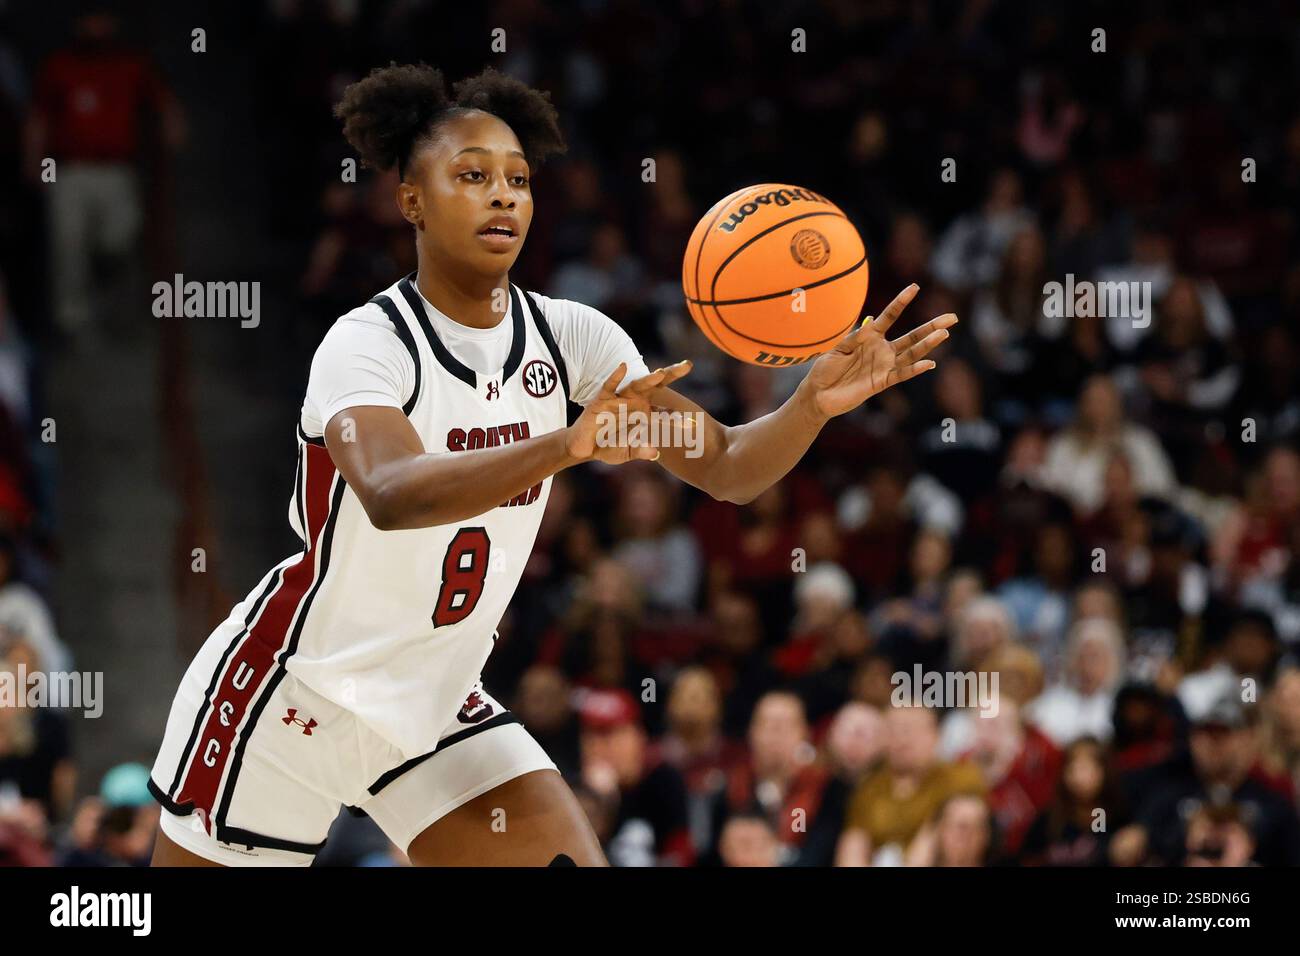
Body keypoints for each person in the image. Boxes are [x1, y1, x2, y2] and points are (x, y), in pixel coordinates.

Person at [145, 64, 956, 868]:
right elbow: (390, 494)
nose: (503, 195)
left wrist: (809, 405)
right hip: (294, 694)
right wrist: (565, 445)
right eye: (472, 176)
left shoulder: (576, 339)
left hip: (434, 709)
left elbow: (729, 467)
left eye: (518, 179)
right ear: (411, 201)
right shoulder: (368, 344)